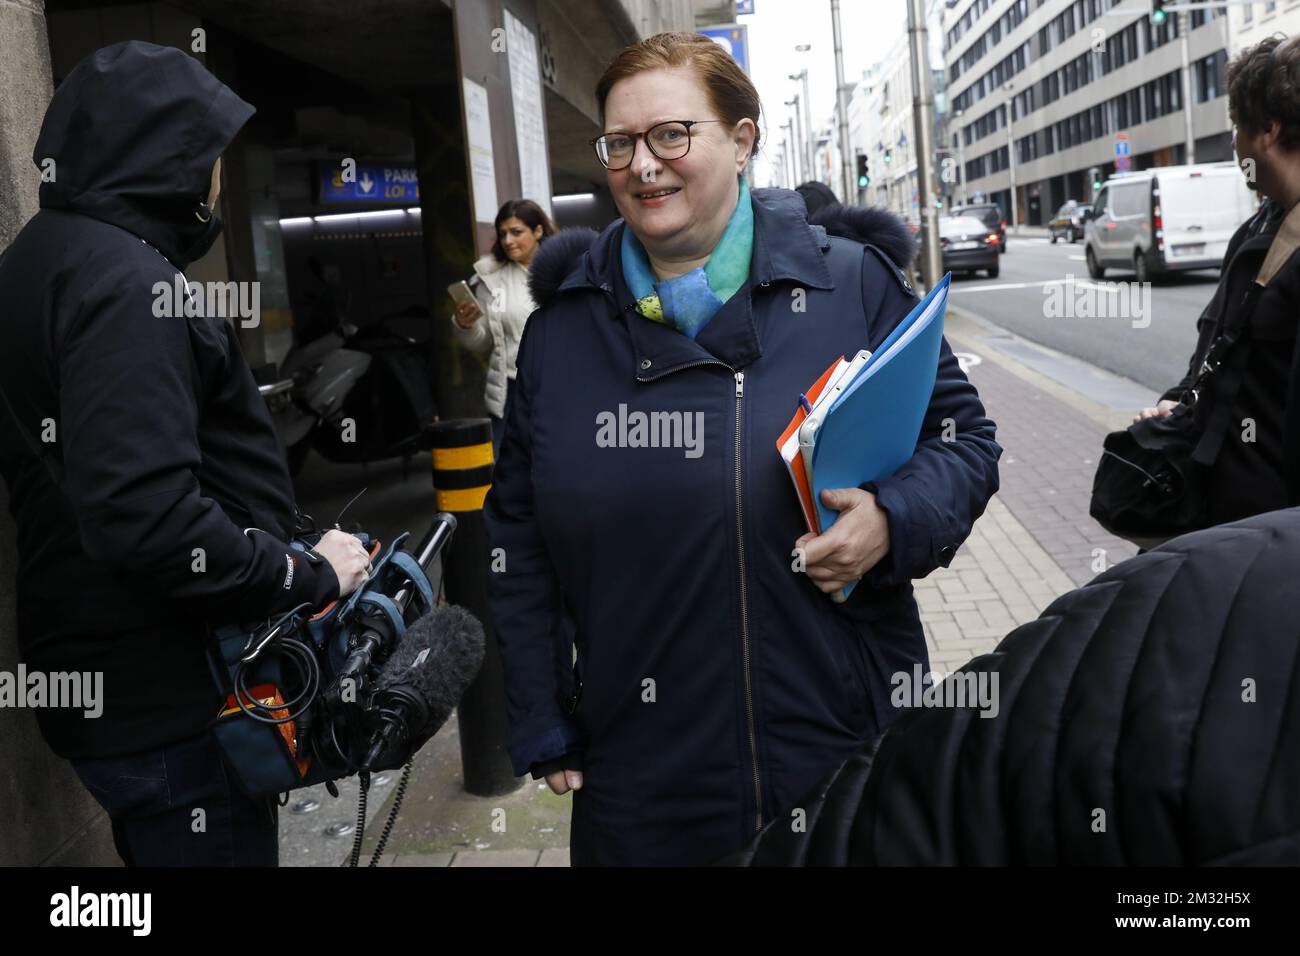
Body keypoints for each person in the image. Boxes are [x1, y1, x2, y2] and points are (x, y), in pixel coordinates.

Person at [484, 31, 1001, 866]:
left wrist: (894, 518)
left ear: (744, 139)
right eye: (620, 143)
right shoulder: (559, 337)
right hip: (640, 775)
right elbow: (516, 536)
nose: (642, 165)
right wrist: (540, 709)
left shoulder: (853, 285)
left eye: (671, 135)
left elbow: (964, 441)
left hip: (839, 749)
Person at [0, 41, 369, 866]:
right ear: (166, 160)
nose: (219, 182)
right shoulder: (128, 287)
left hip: (106, 686)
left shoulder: (33, 266)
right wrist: (311, 575)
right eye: (210, 160)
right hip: (175, 702)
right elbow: (148, 517)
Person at [726, 506, 1300, 866]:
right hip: (661, 782)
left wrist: (896, 516)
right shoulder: (1191, 605)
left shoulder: (1200, 608)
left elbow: (964, 440)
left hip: (837, 721)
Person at [1135, 36, 1300, 525]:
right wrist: (1179, 401)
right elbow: (1219, 358)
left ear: (1267, 130)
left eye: (1236, 127)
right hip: (1227, 517)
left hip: (1277, 535)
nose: (1233, 142)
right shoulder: (1256, 232)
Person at [450, 199, 556, 455]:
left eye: (516, 232)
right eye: (503, 234)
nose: (508, 241)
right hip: (510, 390)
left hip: (559, 385)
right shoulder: (491, 279)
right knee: (511, 474)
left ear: (538, 231)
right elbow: (483, 341)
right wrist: (466, 325)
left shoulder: (567, 271)